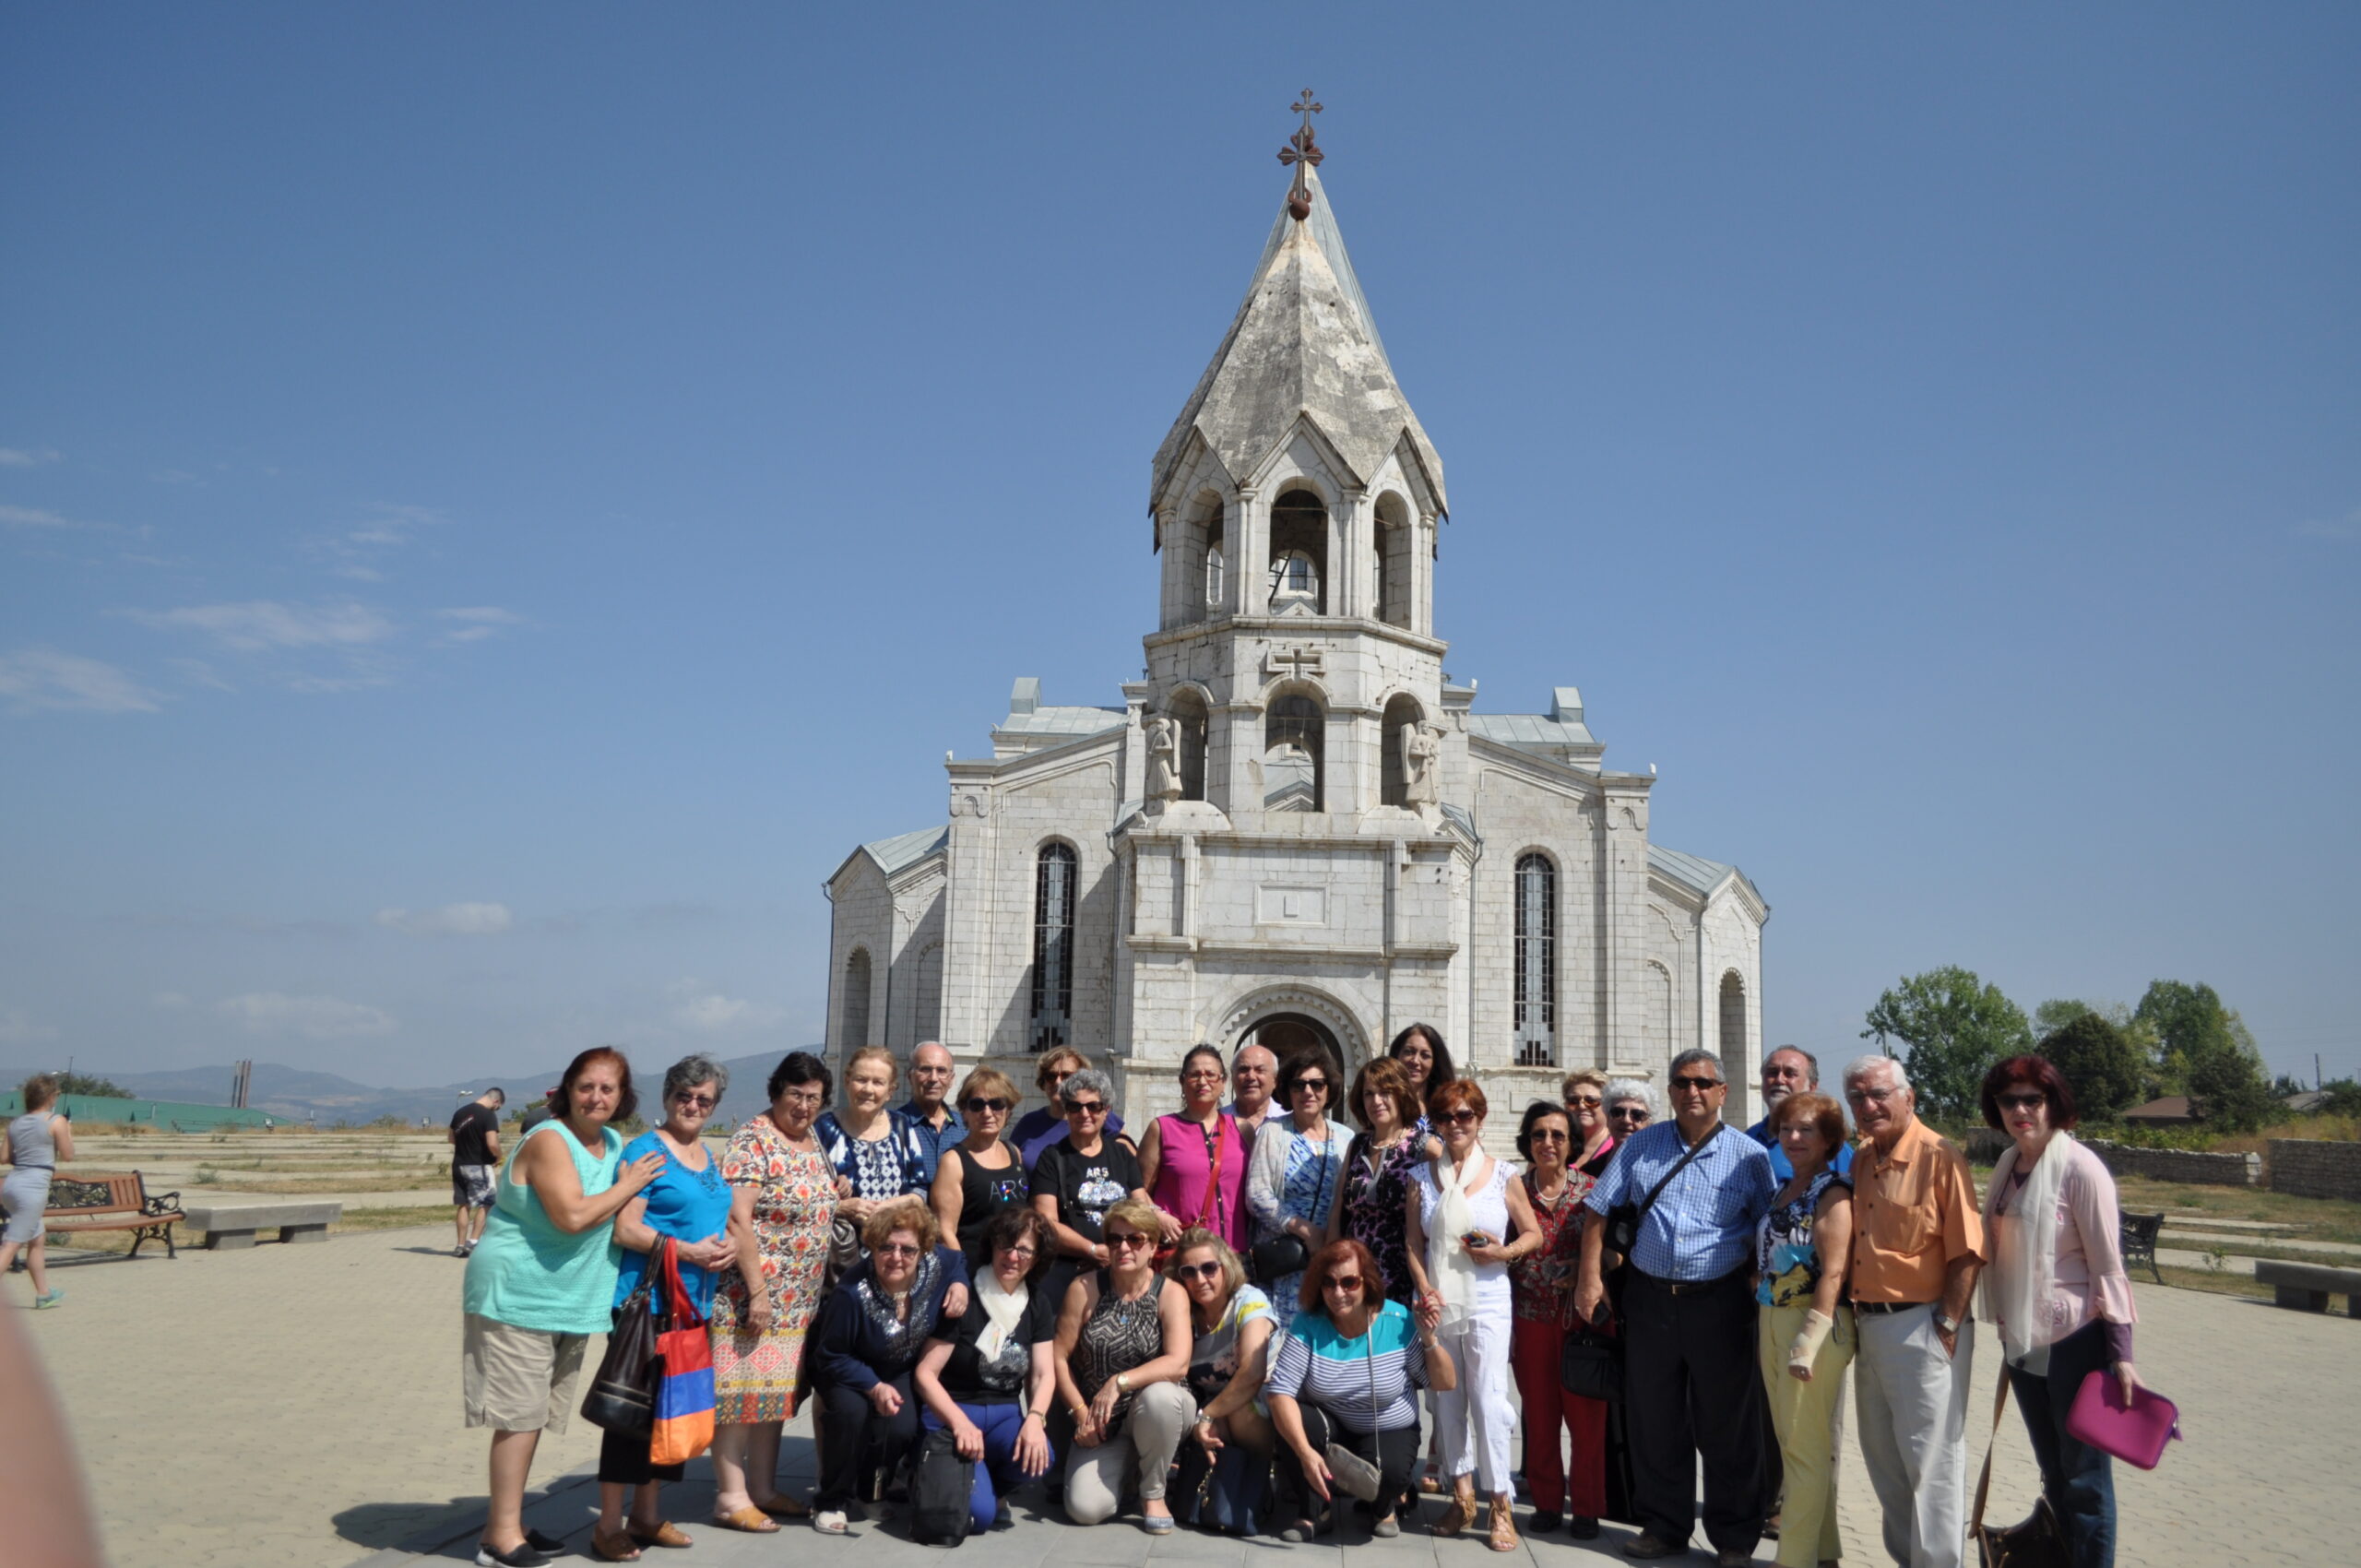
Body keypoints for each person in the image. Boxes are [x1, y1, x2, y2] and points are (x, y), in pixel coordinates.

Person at [460, 1048, 666, 1568]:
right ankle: (499, 1538)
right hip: (517, 1295)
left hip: (565, 1300)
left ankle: (506, 1522)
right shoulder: (550, 1140)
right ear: (566, 1090)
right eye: (585, 1087)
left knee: (535, 1416)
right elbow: (573, 1217)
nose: (596, 1098)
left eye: (608, 1089)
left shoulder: (613, 1142)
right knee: (518, 1417)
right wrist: (629, 1184)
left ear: (623, 1097)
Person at [1574, 1048, 1775, 1566]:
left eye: (1704, 1083)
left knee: (1727, 1423)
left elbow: (1765, 1229)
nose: (1693, 1092)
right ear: (1669, 1091)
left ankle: (1734, 1537)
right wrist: (1589, 1280)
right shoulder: (1642, 1145)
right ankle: (1664, 1527)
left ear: (1723, 1092)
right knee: (1655, 1418)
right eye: (1683, 1083)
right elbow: (1598, 1211)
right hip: (1651, 1300)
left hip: (1721, 1303)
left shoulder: (1748, 1156)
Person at [1978, 1055, 2142, 1568]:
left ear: (2054, 1103)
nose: (2021, 1109)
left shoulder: (2081, 1168)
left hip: (2076, 1343)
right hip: (2023, 1343)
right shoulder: (2009, 1165)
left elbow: (2108, 1267)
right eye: (2009, 1100)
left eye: (2033, 1099)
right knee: (2053, 1473)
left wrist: (2121, 1353)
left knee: (2086, 1482)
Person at [593, 1055, 755, 1562]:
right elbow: (626, 1229)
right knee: (632, 1420)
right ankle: (606, 1524)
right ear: (667, 1098)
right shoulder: (648, 1152)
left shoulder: (707, 1156)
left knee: (671, 1417)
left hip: (694, 1309)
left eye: (703, 1099)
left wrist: (727, 1250)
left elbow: (721, 1220)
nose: (692, 1105)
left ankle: (646, 1515)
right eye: (683, 1096)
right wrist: (687, 1252)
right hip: (649, 1306)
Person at [1844, 1054, 1987, 1568]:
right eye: (1857, 1096)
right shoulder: (1861, 1158)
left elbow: (1968, 1250)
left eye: (1879, 1093)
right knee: (1885, 1461)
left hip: (1924, 1325)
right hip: (1870, 1327)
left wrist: (1947, 1323)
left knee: (1933, 1463)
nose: (1868, 1104)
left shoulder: (1939, 1155)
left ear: (1909, 1097)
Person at [1405, 1077, 1539, 1552]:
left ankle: (1499, 1502)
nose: (1456, 1125)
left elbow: (1532, 1234)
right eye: (1446, 1118)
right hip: (1440, 1301)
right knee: (1447, 1400)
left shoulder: (1503, 1175)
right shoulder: (1422, 1177)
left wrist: (1503, 1253)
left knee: (1487, 1400)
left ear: (1479, 1119)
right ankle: (1462, 1498)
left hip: (1487, 1299)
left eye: (1465, 1115)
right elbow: (1413, 1244)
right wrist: (1425, 1289)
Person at [708, 1051, 840, 1532]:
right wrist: (758, 1291)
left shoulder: (811, 1139)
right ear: (775, 1092)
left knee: (773, 1397)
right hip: (752, 1296)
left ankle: (762, 1488)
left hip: (798, 1299)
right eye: (796, 1095)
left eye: (814, 1099)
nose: (804, 1106)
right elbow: (737, 1216)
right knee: (739, 1396)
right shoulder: (753, 1139)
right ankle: (730, 1495)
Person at [1265, 1239, 1458, 1542]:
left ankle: (1385, 1506)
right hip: (1331, 1425)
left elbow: (1445, 1382)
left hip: (1387, 1427)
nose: (1338, 1292)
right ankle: (1316, 1511)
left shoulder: (1398, 1321)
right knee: (1293, 1420)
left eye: (1348, 1282)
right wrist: (1305, 1454)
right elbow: (1279, 1393)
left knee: (1391, 1474)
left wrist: (1429, 1339)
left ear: (1367, 1282)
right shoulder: (1308, 1323)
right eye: (1328, 1283)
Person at [807, 1198, 970, 1535]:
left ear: (923, 1250)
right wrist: (873, 1385)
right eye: (886, 1248)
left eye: (907, 1250)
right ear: (872, 1247)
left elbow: (959, 1260)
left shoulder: (937, 1265)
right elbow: (830, 1355)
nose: (896, 1257)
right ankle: (831, 1499)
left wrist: (960, 1285)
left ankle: (870, 1493)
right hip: (845, 1368)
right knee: (852, 1415)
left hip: (897, 1366)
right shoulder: (852, 1292)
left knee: (901, 1426)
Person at [1051, 1197, 1197, 1530]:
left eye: (1135, 1239)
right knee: (1084, 1509)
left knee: (1160, 1397)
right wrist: (1078, 1412)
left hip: (1159, 1409)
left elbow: (1178, 1363)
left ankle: (1153, 1491)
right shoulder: (1084, 1288)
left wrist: (1118, 1382)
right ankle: (1131, 1468)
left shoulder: (1170, 1292)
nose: (1124, 1248)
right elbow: (1059, 1355)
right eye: (1115, 1239)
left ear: (1153, 1246)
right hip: (1102, 1422)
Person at [1754, 1091, 1856, 1568]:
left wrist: (1807, 1341)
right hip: (1773, 1318)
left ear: (1830, 1139)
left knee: (1803, 1451)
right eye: (1788, 1128)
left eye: (1807, 1129)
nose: (1794, 1137)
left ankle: (1792, 1560)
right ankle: (1824, 1554)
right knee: (1795, 1444)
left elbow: (1833, 1272)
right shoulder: (1787, 1187)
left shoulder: (1832, 1191)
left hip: (1810, 1328)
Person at [916, 1207, 1062, 1536]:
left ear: (1037, 1258)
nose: (1012, 1256)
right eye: (1005, 1245)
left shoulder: (1037, 1303)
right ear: (991, 1246)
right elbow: (925, 1374)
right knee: (980, 1519)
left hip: (1003, 1416)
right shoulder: (964, 1294)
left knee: (1042, 1456)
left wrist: (1036, 1419)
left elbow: (1043, 1374)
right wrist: (959, 1423)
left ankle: (989, 1481)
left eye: (1024, 1250)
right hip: (954, 1413)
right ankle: (937, 1474)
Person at [1507, 1092, 1613, 1539]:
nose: (1547, 1142)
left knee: (1586, 1419)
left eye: (1557, 1135)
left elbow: (1617, 1252)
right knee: (1540, 1414)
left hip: (1580, 1321)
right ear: (1527, 1141)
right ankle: (1548, 1502)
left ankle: (1587, 1507)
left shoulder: (1593, 1192)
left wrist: (1590, 1267)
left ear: (1572, 1143)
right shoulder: (1511, 1190)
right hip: (1530, 1320)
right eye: (1538, 1134)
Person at [1168, 1229, 1275, 1537]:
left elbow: (1253, 1373)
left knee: (1238, 1410)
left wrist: (1208, 1416)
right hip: (1213, 1412)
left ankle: (1259, 1482)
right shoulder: (1184, 1312)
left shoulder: (1249, 1301)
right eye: (1189, 1272)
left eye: (1209, 1268)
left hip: (1261, 1406)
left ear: (1226, 1267)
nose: (1200, 1279)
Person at [1245, 1047, 1350, 1332]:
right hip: (1287, 1260)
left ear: (1329, 1090)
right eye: (1298, 1084)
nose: (1308, 1091)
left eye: (1317, 1084)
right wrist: (1305, 1230)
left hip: (1330, 1256)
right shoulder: (1273, 1132)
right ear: (1288, 1091)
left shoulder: (1346, 1137)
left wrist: (1329, 1238)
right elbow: (1257, 1196)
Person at [1030, 1067, 1149, 1293]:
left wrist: (1117, 1252)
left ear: (1106, 1111)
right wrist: (1092, 1250)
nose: (1085, 1114)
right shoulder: (1052, 1157)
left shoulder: (1122, 1155)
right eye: (1075, 1107)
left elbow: (1141, 1211)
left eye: (1093, 1106)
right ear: (1066, 1111)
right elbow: (1045, 1221)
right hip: (1070, 1271)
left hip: (1122, 1268)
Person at [1332, 1058, 1427, 1307]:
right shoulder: (1357, 1144)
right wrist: (1332, 1263)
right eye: (1369, 1094)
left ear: (1401, 1094)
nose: (1376, 1102)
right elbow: (1338, 1210)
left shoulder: (1423, 1146)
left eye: (1385, 1093)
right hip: (1355, 1275)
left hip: (1402, 1275)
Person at [814, 1046, 932, 1241]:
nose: (868, 1090)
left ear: (890, 1091)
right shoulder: (824, 1128)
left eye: (878, 1083)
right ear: (847, 1082)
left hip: (894, 1249)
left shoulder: (901, 1126)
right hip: (841, 1252)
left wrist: (887, 1207)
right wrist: (840, 1207)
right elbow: (804, 1192)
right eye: (861, 1080)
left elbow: (920, 1190)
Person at [1138, 1045, 1248, 1250]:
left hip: (1233, 1255)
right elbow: (1137, 1189)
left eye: (1211, 1075)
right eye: (1194, 1075)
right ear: (1182, 1081)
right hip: (1182, 1252)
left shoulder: (1242, 1130)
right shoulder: (1162, 1128)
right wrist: (1157, 1214)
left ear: (1223, 1082)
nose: (1203, 1081)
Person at [933, 1066, 1032, 1273]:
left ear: (1008, 1111)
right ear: (965, 1113)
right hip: (974, 1271)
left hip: (1013, 1269)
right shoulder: (954, 1161)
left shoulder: (1013, 1152)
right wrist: (960, 1277)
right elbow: (945, 1231)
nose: (987, 1113)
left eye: (996, 1104)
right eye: (977, 1105)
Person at [3, 1074, 75, 1309]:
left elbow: (4, 1157)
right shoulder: (56, 1121)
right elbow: (68, 1154)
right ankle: (43, 1293)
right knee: (11, 1244)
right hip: (33, 1187)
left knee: (37, 1239)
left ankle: (44, 1293)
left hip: (12, 1184)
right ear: (51, 1096)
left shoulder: (15, 1123)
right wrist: (68, 1132)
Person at [1009, 1048, 1127, 1171]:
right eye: (1051, 1076)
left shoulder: (1099, 1117)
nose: (1058, 1082)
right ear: (1043, 1083)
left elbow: (1128, 1162)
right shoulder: (1029, 1122)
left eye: (1066, 1075)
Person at [1749, 1048, 1854, 1182]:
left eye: (1790, 1073)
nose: (1779, 1080)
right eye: (1772, 1072)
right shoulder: (1747, 1139)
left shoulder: (1833, 1148)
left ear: (1812, 1087)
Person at [448, 1087, 504, 1257]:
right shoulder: (488, 1115)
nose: (496, 1110)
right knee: (486, 1203)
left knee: (463, 1204)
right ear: (496, 1101)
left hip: (459, 1164)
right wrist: (498, 1156)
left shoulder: (460, 1113)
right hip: (479, 1165)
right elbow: (492, 1143)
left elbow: (451, 1138)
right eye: (498, 1107)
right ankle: (472, 1242)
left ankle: (459, 1244)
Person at [898, 1041, 966, 1181]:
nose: (933, 1078)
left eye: (941, 1071)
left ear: (951, 1079)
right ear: (909, 1077)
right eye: (925, 1070)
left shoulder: (965, 1127)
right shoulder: (892, 1126)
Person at [1226, 1042, 1278, 1153]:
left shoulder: (1290, 1121)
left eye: (1260, 1070)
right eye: (1243, 1069)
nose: (1251, 1077)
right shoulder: (1215, 1121)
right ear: (1232, 1076)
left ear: (1275, 1080)